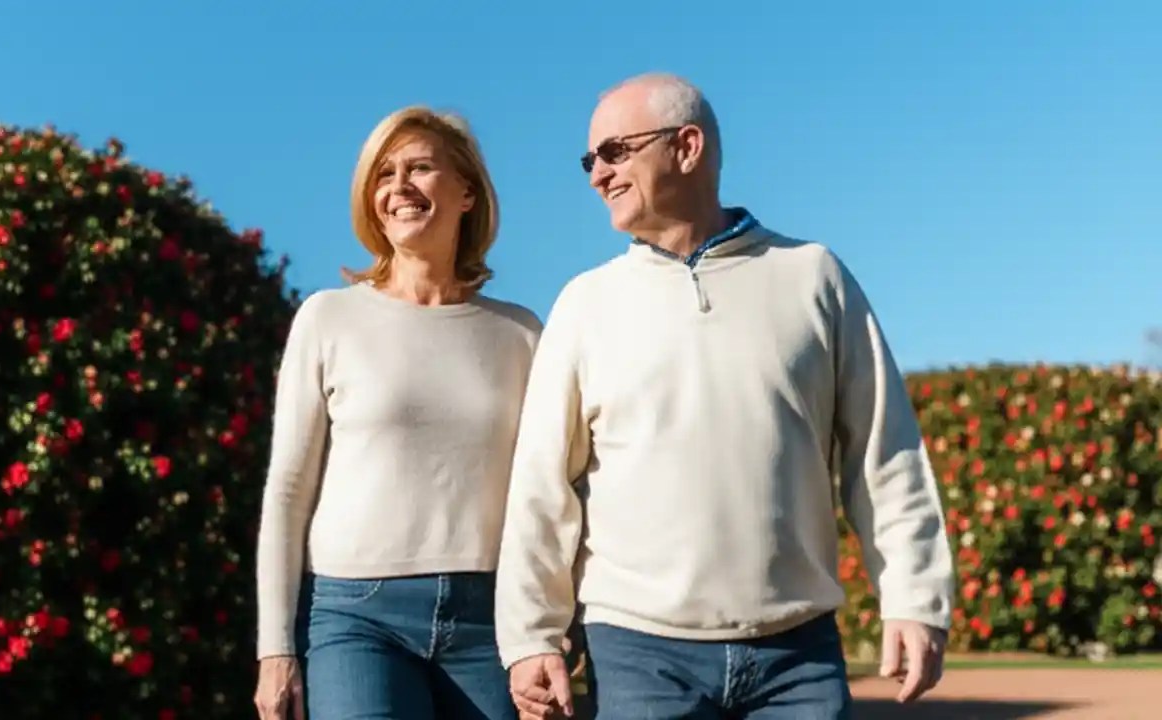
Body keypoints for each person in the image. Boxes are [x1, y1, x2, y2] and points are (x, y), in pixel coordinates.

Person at [494, 72, 956, 719]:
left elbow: (884, 454)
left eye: (615, 151)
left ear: (687, 147)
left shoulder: (814, 276)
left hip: (799, 660)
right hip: (637, 652)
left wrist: (914, 595)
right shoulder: (584, 304)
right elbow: (541, 487)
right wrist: (530, 636)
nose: (597, 174)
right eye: (589, 159)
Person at [253, 106, 542, 720]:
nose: (398, 188)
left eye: (419, 168)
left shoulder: (521, 334)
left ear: (467, 193)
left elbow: (546, 493)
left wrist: (547, 632)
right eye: (383, 175)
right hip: (356, 617)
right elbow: (288, 490)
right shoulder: (329, 318)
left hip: (492, 619)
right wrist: (275, 649)